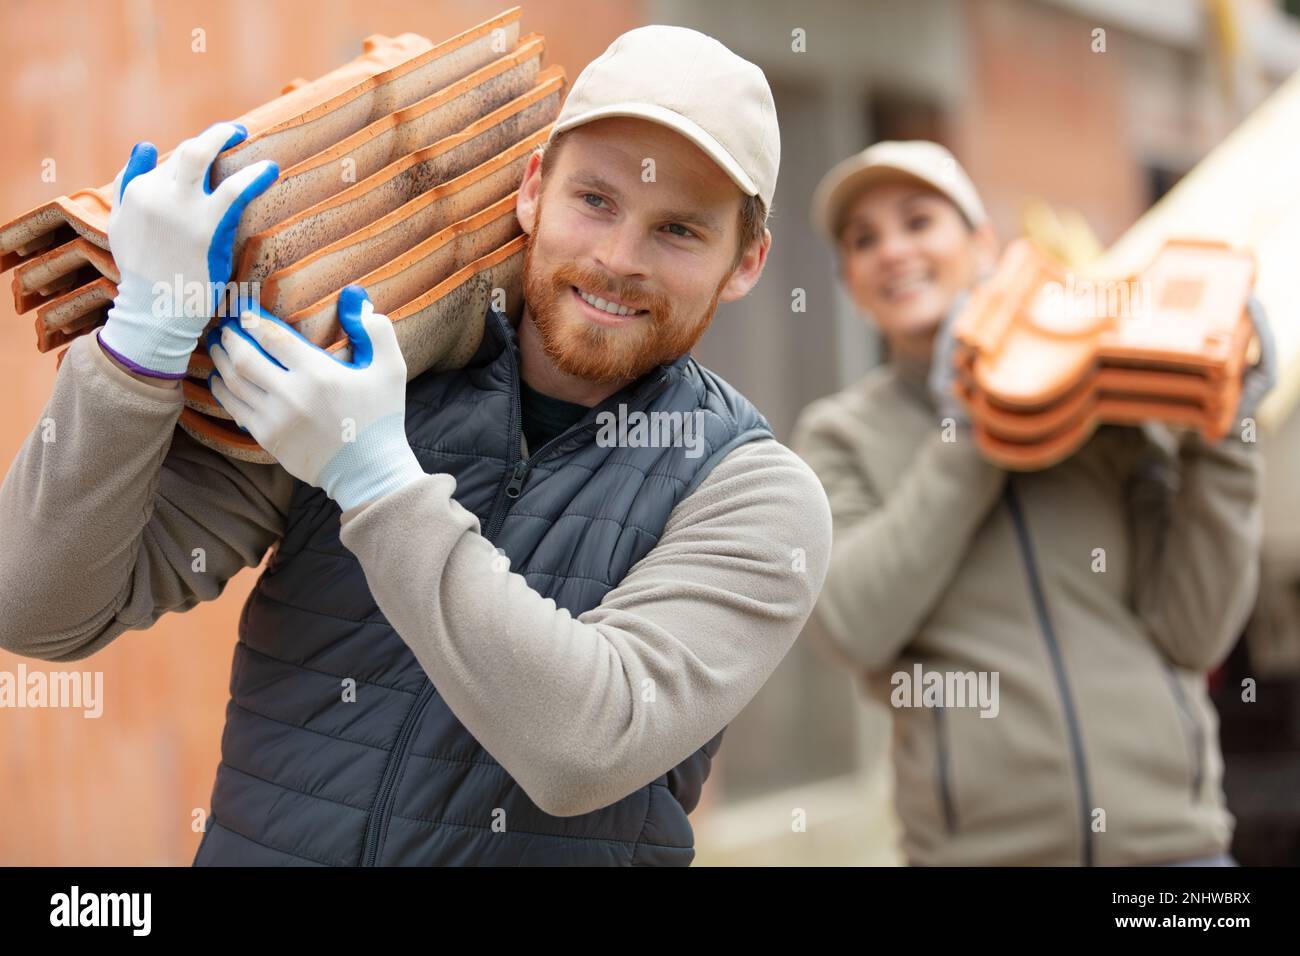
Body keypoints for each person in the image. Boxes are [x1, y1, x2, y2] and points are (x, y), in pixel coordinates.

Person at [0, 26, 832, 866]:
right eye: (596, 201)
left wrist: (375, 479)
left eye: (679, 231)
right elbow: (35, 611)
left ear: (747, 261)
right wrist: (141, 342)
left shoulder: (755, 495)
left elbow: (584, 749)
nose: (618, 259)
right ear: (534, 189)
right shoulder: (362, 374)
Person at [791, 140, 1272, 866]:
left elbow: (1195, 632)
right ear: (852, 285)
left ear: (985, 246)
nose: (892, 250)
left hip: (1175, 852)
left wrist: (1226, 431)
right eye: (864, 240)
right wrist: (975, 425)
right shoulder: (838, 436)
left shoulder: (1101, 401)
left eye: (918, 222)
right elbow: (852, 624)